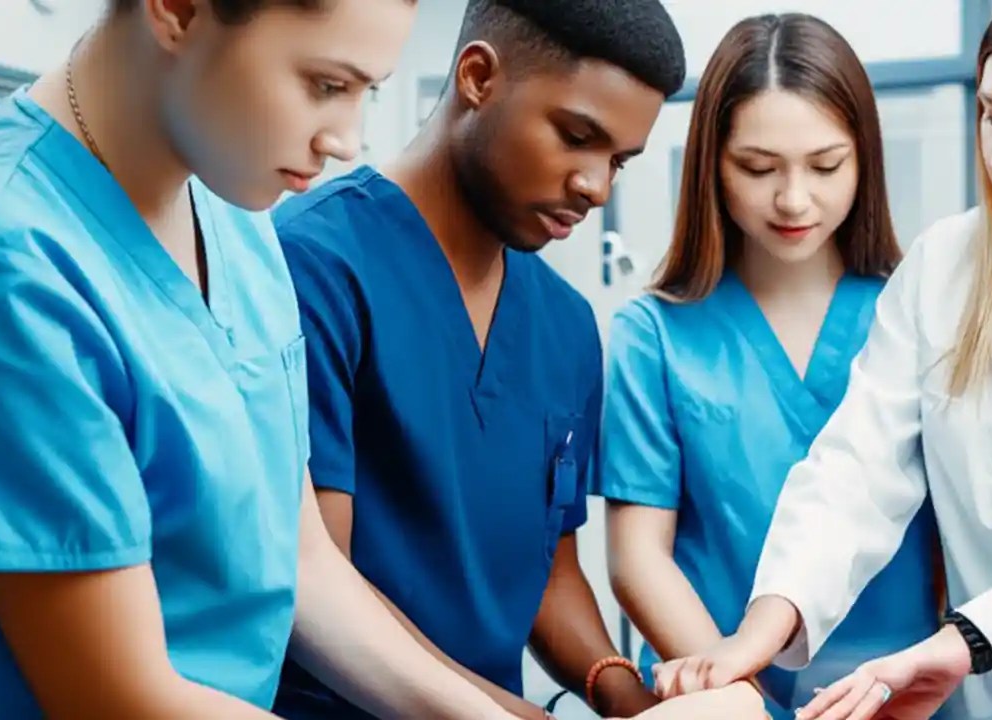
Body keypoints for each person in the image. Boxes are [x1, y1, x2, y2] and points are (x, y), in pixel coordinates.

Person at [0, 1, 524, 718]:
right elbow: (117, 698)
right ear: (180, 9)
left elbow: (300, 563)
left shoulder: (234, 214)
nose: (347, 140)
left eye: (366, 91)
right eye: (325, 85)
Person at [651, 0, 992, 718]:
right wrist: (763, 628)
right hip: (988, 701)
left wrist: (968, 641)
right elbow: (857, 467)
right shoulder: (945, 268)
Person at [270, 1, 763, 718]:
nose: (596, 186)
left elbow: (547, 577)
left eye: (618, 161)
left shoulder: (564, 327)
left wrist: (627, 696)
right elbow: (325, 591)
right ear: (478, 77)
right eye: (576, 137)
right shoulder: (315, 266)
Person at [593, 12, 945, 719]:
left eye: (825, 165)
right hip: (721, 697)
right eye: (758, 168)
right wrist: (738, 692)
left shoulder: (917, 314)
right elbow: (639, 559)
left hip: (904, 694)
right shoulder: (654, 335)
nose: (793, 199)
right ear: (711, 164)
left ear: (864, 159)